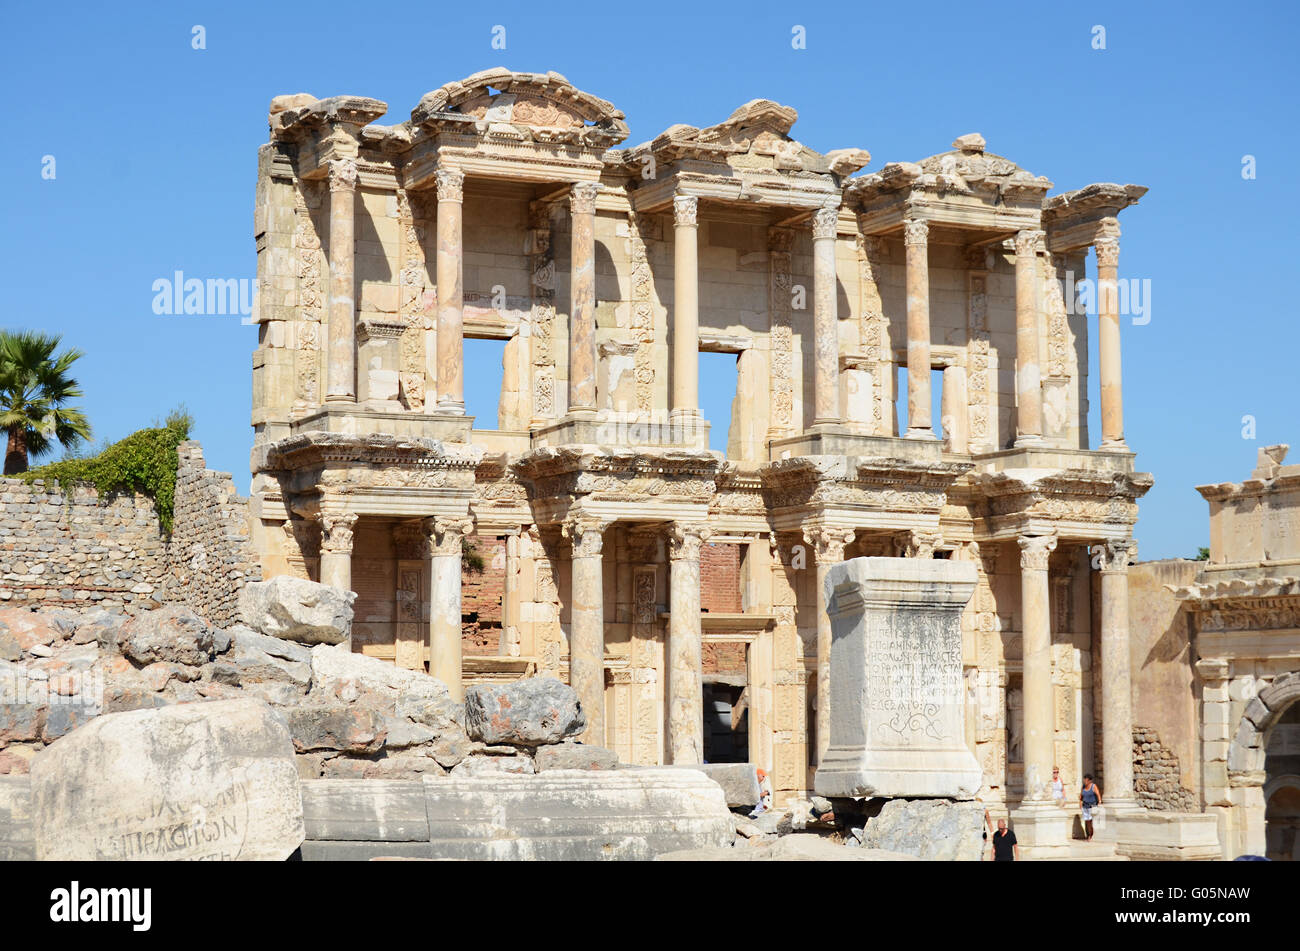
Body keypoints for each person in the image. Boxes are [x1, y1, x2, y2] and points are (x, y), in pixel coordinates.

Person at [1080, 774, 1102, 840]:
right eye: (1084, 779)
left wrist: (1099, 802)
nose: (1084, 781)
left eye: (1086, 780)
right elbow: (1081, 796)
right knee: (1088, 821)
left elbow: (1098, 794)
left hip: (1092, 806)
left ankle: (1093, 835)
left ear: (1089, 781)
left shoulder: (1093, 786)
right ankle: (1090, 835)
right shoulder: (1083, 787)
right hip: (1085, 806)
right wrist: (1080, 803)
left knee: (1093, 821)